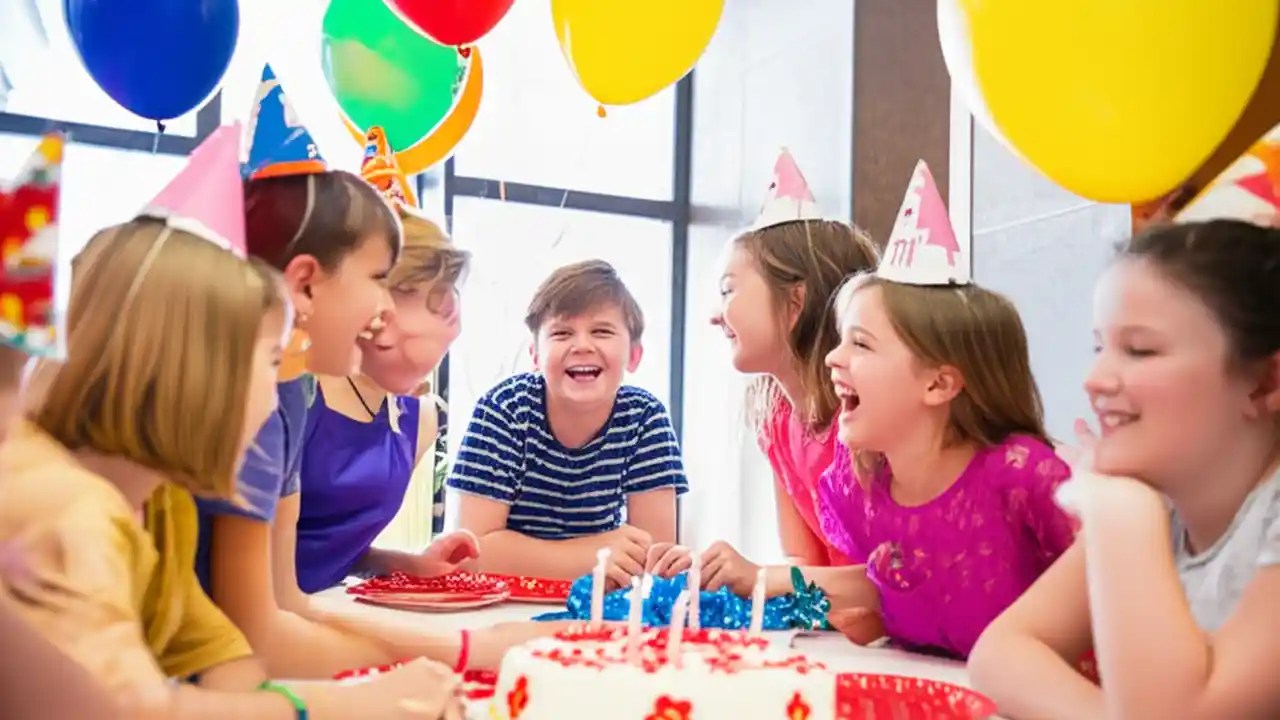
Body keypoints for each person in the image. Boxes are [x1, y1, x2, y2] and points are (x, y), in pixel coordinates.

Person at [199, 73, 564, 680]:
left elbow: (279, 601)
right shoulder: (263, 397)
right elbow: (256, 623)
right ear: (308, 281)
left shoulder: (283, 386)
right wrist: (460, 654)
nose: (381, 315)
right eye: (378, 280)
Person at [740, 164, 1074, 655]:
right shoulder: (860, 489)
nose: (833, 357)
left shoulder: (1025, 477)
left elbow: (1109, 600)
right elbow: (882, 590)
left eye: (861, 344)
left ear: (939, 383)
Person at [968, 219, 1280, 718]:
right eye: (1100, 346)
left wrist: (1119, 515)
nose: (1094, 380)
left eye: (1139, 350)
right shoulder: (1151, 492)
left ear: (1265, 383)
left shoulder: (1131, 503)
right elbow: (1002, 651)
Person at [648, 150, 878, 582]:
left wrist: (758, 577)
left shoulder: (873, 424)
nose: (715, 315)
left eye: (728, 290)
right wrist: (717, 572)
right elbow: (802, 564)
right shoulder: (776, 420)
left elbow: (888, 583)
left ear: (796, 302)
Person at [293, 130, 476, 594]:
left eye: (447, 290)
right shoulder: (296, 392)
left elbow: (328, 549)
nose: (447, 308)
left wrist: (408, 565)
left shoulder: (421, 420)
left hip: (311, 621)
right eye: (418, 289)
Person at [449, 259, 688, 586]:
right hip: (500, 600)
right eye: (562, 333)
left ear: (634, 355)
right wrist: (591, 556)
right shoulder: (503, 411)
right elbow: (469, 553)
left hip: (597, 606)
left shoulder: (645, 419)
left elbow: (653, 561)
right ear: (535, 355)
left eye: (601, 331)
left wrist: (610, 559)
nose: (582, 345)